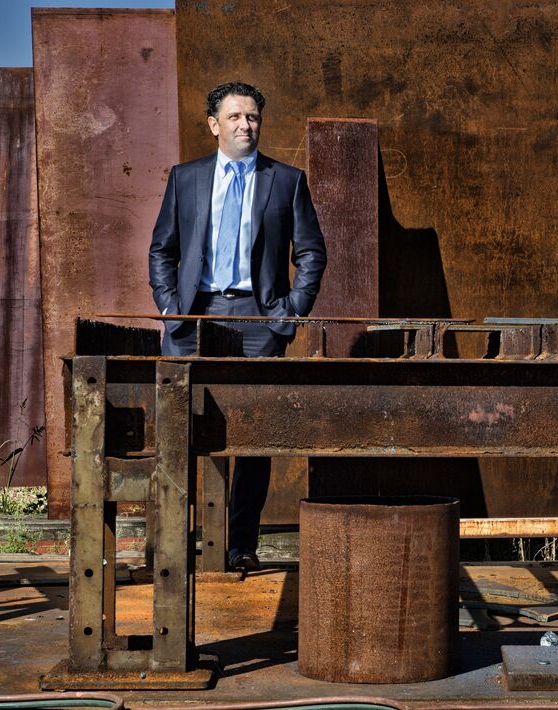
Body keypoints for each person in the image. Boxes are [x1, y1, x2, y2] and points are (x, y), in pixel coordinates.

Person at [149, 81, 326, 570]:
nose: (245, 125)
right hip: (193, 318)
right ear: (214, 125)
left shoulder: (286, 180)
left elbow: (311, 252)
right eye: (235, 117)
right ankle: (175, 546)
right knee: (180, 431)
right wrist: (170, 309)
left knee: (252, 437)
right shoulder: (185, 178)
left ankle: (240, 545)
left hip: (257, 319)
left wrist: (289, 314)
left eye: (252, 117)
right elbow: (162, 249)